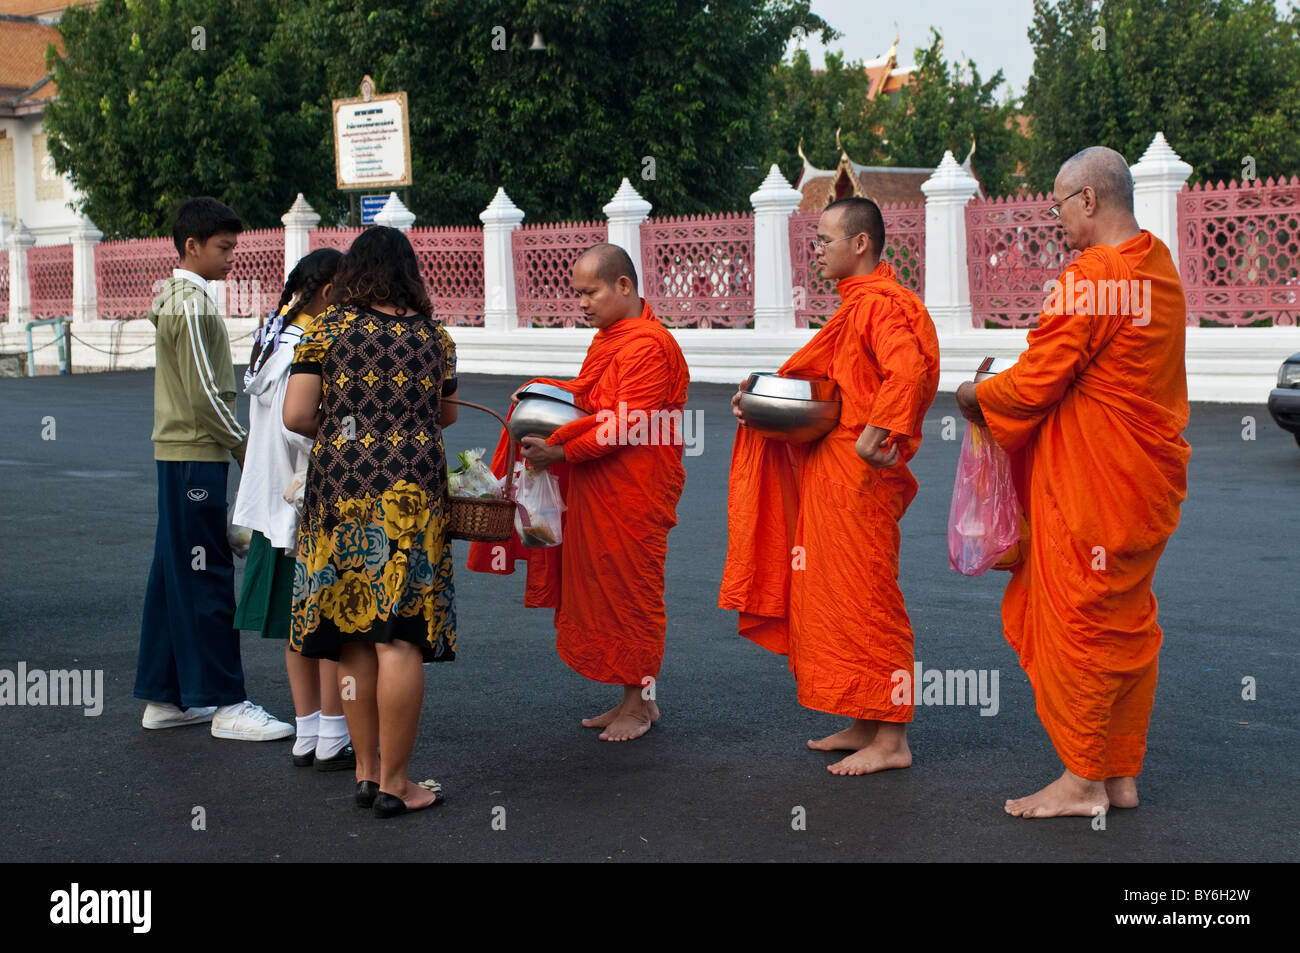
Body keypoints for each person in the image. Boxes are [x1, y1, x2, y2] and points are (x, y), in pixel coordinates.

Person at [956, 146, 1191, 818]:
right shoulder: (1158, 267)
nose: (1056, 220)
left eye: (1059, 205)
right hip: (1142, 480)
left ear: (1087, 199)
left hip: (1094, 487)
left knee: (1085, 618)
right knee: (1127, 620)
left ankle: (1084, 778)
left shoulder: (1094, 276)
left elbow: (1038, 379)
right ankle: (1118, 772)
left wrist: (977, 394)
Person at [721, 197, 940, 775]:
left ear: (860, 243)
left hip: (859, 476)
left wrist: (879, 431)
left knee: (868, 598)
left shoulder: (882, 307)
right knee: (833, 595)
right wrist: (761, 402)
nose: (815, 250)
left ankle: (892, 740)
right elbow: (823, 383)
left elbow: (909, 372)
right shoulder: (857, 307)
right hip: (833, 469)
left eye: (824, 240)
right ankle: (864, 718)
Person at [467, 243, 690, 743]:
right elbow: (589, 397)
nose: (582, 303)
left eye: (590, 292)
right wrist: (539, 391)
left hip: (635, 490)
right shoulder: (611, 340)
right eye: (578, 293)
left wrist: (561, 453)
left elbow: (625, 423)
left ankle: (639, 706)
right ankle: (636, 699)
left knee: (632, 593)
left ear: (624, 286)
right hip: (599, 486)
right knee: (603, 587)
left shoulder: (648, 345)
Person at [283, 226, 458, 818]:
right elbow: (447, 413)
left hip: (341, 489)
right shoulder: (436, 336)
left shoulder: (325, 329)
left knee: (353, 633)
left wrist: (343, 434)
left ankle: (365, 770)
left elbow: (297, 413)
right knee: (401, 637)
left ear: (353, 271)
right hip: (412, 491)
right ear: (410, 271)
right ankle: (398, 783)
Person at [134, 196, 293, 742]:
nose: (232, 258)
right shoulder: (191, 304)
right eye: (224, 248)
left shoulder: (179, 299)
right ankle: (226, 703)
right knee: (206, 580)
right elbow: (206, 393)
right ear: (191, 247)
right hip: (196, 456)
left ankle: (167, 697)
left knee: (173, 576)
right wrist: (246, 449)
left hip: (180, 456)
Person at [233, 248, 355, 770]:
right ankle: (331, 732)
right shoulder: (314, 342)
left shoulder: (274, 335)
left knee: (294, 624)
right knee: (327, 623)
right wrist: (348, 435)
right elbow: (296, 422)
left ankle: (308, 730)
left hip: (271, 499)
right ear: (330, 291)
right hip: (307, 500)